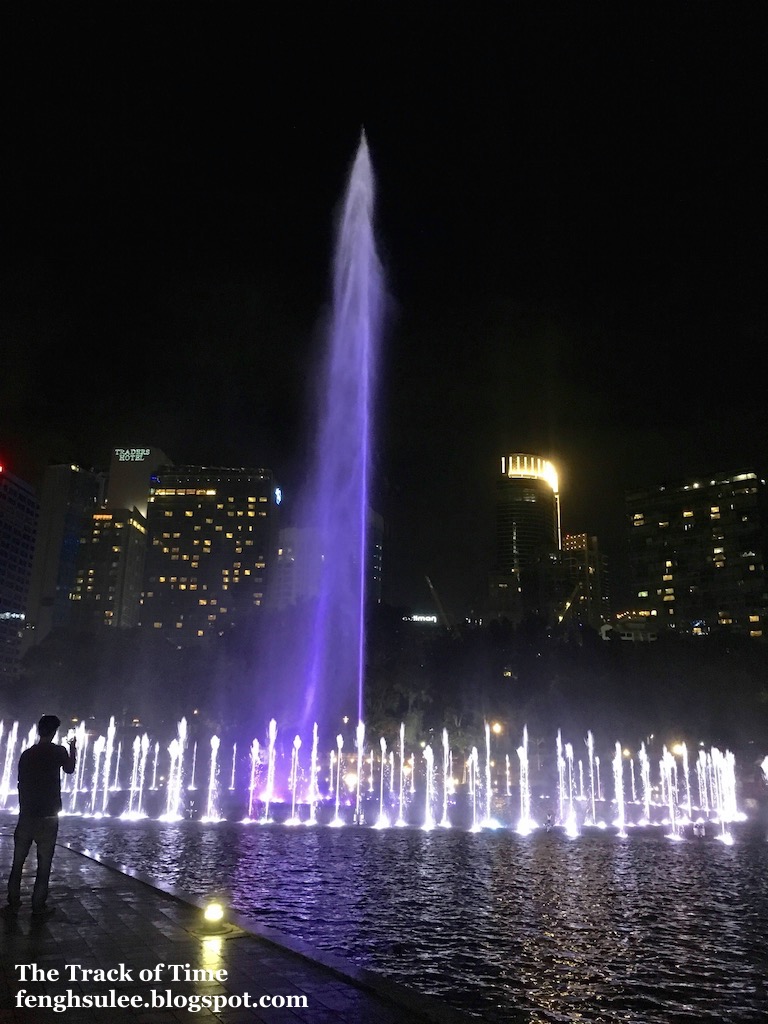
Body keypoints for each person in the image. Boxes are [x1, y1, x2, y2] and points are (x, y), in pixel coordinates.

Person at [5, 715, 76, 918]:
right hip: (48, 816)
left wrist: (24, 806)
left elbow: (20, 784)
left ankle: (13, 901)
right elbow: (70, 769)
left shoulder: (27, 755)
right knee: (44, 864)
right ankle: (38, 905)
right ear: (53, 732)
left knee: (18, 861)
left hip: (27, 815)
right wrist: (72, 747)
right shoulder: (57, 751)